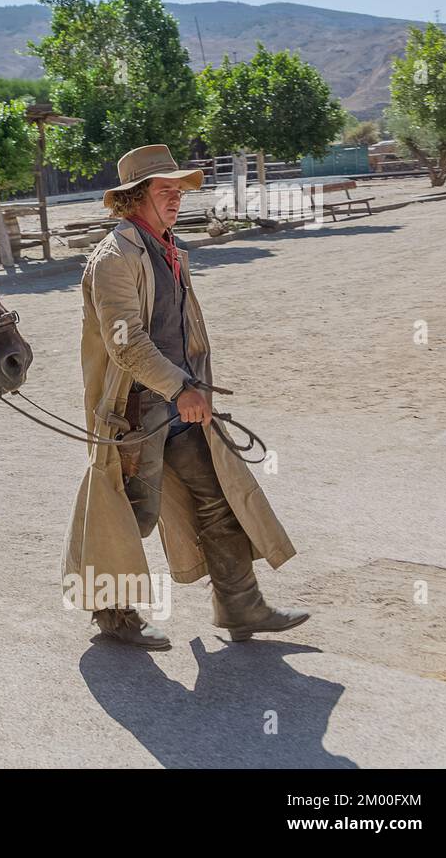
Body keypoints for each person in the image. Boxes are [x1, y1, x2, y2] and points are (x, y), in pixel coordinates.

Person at [63, 144, 309, 649]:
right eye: (164, 191)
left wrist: (189, 389)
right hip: (137, 410)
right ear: (134, 198)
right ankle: (113, 615)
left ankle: (241, 607)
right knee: (132, 512)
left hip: (182, 404)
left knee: (218, 502)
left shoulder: (169, 247)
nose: (176, 199)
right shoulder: (115, 257)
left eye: (178, 191)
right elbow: (125, 341)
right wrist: (179, 386)